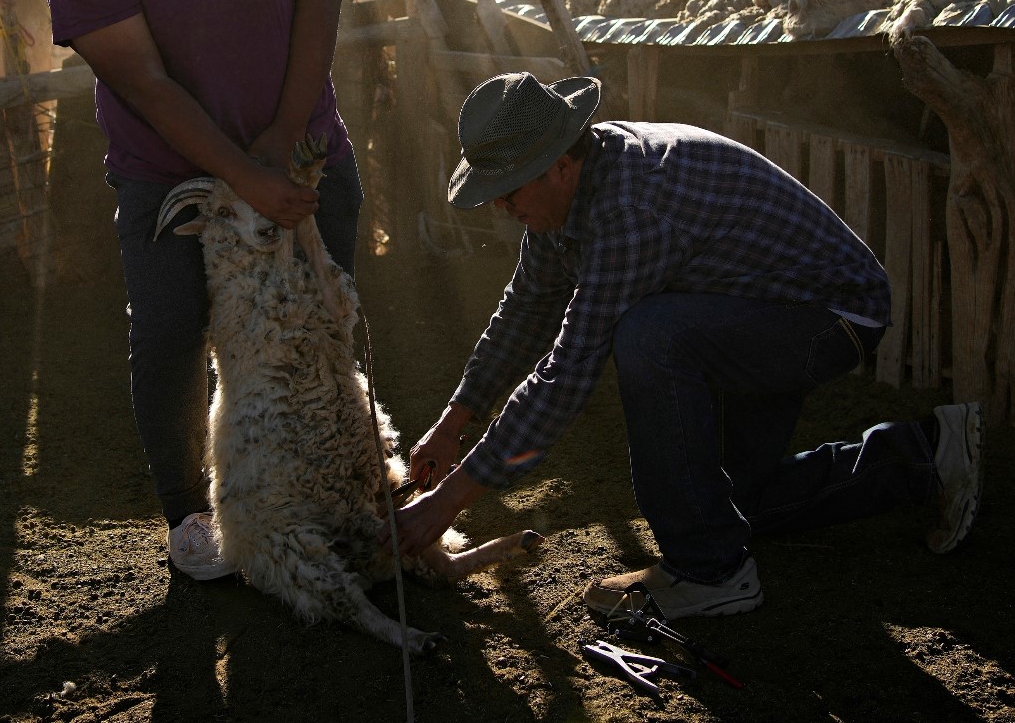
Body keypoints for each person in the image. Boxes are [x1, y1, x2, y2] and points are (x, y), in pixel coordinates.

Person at [390, 72, 982, 619]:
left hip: (829, 316)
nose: (500, 206)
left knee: (649, 336)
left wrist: (447, 503)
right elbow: (525, 310)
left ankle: (711, 571)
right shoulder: (564, 199)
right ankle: (928, 453)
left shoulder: (630, 206)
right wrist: (454, 421)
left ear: (559, 166)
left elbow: (566, 374)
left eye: (508, 190)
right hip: (754, 305)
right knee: (733, 501)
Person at [36, 0, 360, 581]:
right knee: (172, 334)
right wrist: (243, 176)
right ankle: (189, 512)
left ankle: (324, 490)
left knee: (318, 320)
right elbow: (143, 82)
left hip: (305, 153)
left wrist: (282, 140)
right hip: (168, 174)